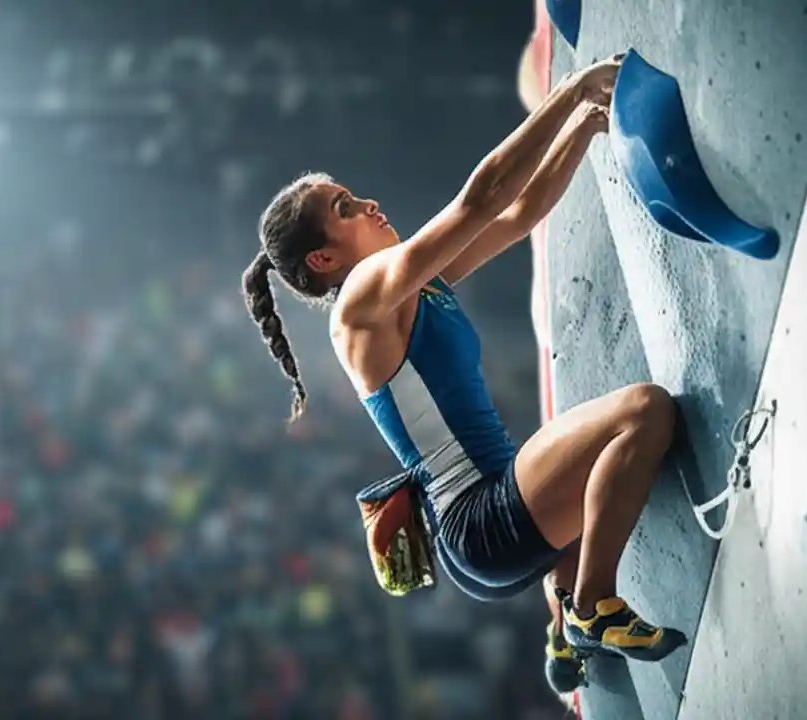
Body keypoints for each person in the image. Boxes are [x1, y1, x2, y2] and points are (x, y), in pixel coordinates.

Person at [240, 53, 686, 694]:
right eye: (345, 206)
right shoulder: (362, 300)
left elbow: (516, 216)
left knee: (593, 474)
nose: (367, 202)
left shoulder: (408, 288)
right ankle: (592, 606)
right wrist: (569, 91)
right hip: (483, 520)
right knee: (645, 412)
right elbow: (482, 198)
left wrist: (585, 125)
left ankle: (561, 627)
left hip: (495, 528)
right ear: (324, 256)